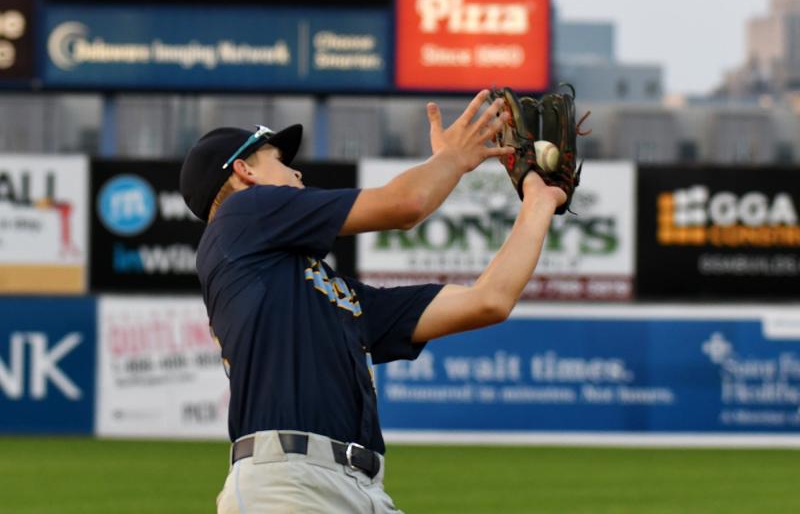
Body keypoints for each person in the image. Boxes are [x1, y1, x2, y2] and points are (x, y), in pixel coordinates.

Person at [179, 90, 567, 514]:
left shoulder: (329, 294)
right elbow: (406, 205)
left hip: (358, 490)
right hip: (288, 486)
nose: (297, 174)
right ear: (243, 171)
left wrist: (538, 202)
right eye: (280, 161)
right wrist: (452, 158)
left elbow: (489, 301)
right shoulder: (243, 214)